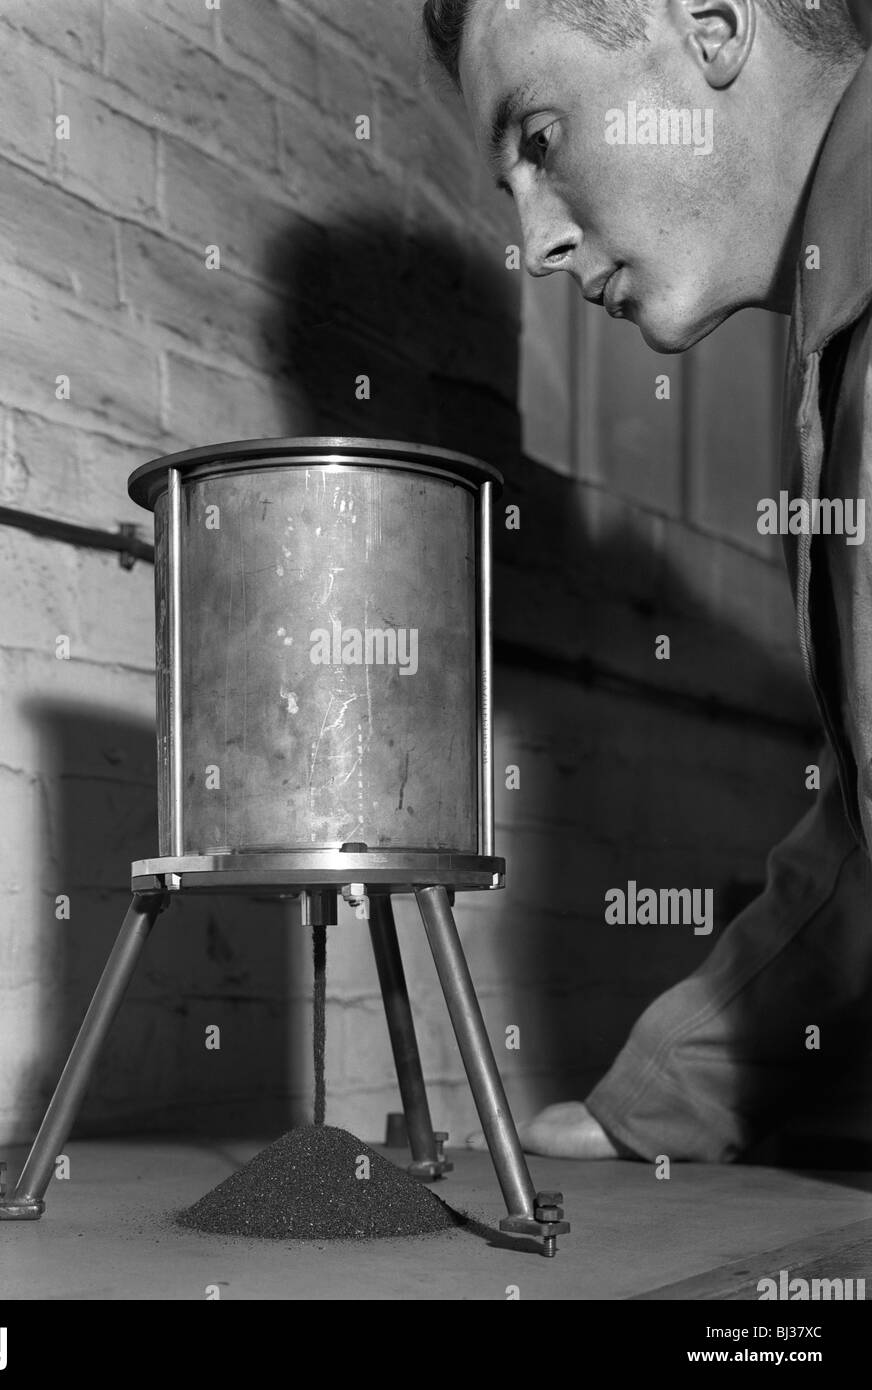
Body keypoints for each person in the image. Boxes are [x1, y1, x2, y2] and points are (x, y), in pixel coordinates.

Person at [421, 0, 872, 1161]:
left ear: (711, 24)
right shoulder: (833, 362)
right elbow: (855, 861)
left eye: (539, 138)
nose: (534, 243)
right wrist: (653, 1107)